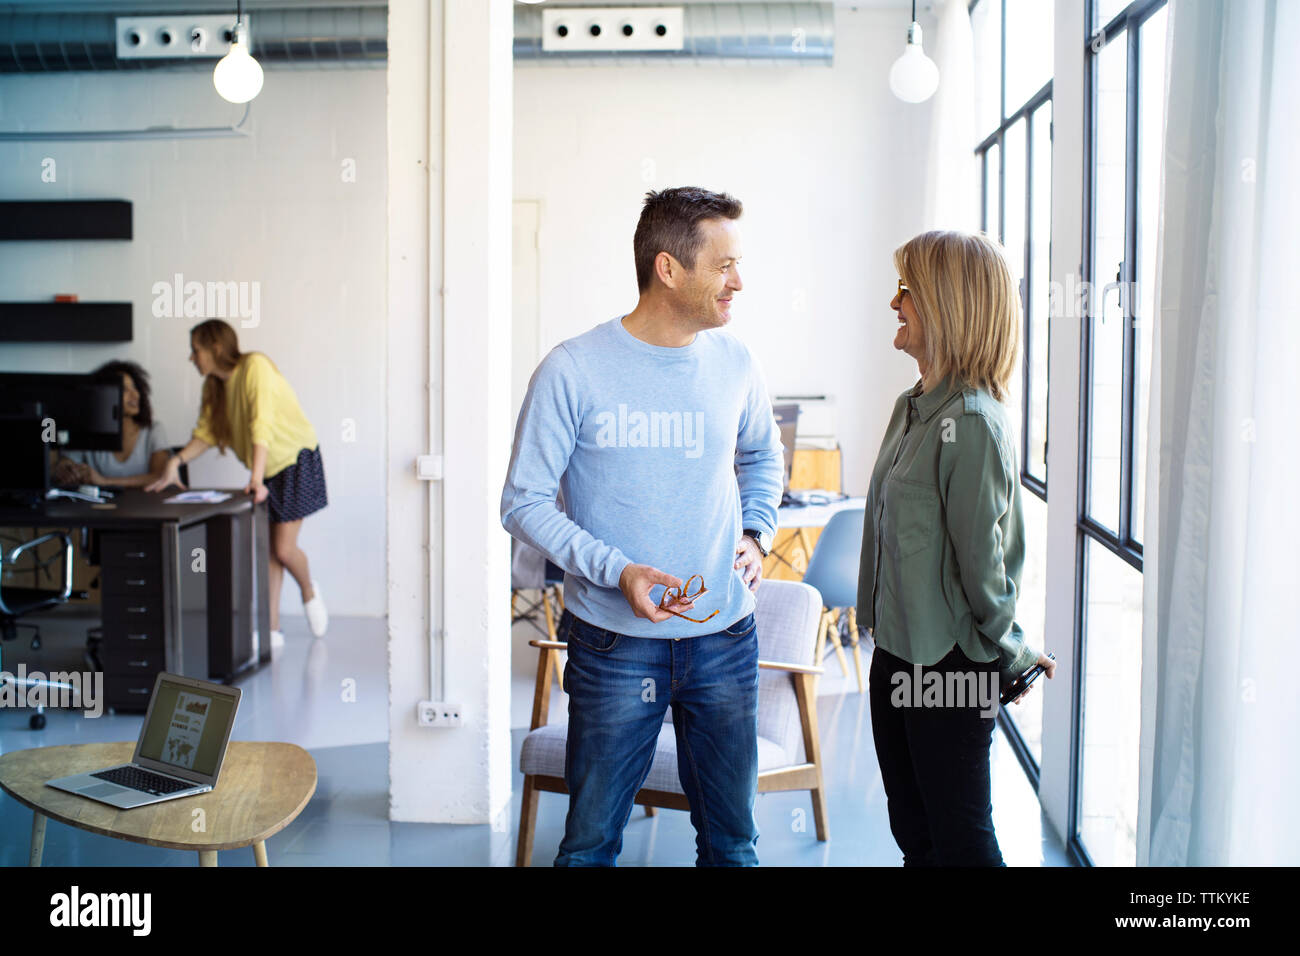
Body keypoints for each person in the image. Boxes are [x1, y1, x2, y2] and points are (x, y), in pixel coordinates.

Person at [501, 186, 785, 866]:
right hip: (613, 647)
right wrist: (617, 570)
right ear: (668, 268)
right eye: (723, 266)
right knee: (592, 841)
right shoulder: (573, 369)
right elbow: (523, 500)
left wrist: (757, 528)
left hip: (726, 637)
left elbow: (763, 452)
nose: (738, 281)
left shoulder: (736, 362)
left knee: (733, 842)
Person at [857, 230, 1056, 867]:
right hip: (896, 653)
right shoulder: (911, 407)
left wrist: (1014, 650)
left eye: (908, 290)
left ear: (947, 304)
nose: (895, 302)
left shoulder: (969, 422)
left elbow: (984, 567)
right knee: (916, 836)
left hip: (947, 670)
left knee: (962, 846)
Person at [146, 319, 328, 649]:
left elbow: (263, 423)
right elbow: (207, 433)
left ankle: (308, 589)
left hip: (293, 458)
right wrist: (176, 461)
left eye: (195, 350)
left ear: (215, 348)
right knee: (272, 553)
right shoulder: (214, 387)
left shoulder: (254, 367)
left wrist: (255, 478)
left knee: (284, 548)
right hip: (267, 467)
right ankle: (271, 628)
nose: (192, 358)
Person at [53, 360, 169, 488]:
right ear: (104, 394)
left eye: (135, 388)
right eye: (124, 389)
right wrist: (67, 470)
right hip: (99, 506)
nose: (134, 394)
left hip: (146, 506)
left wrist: (104, 481)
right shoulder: (89, 430)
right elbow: (67, 462)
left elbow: (160, 476)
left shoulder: (154, 430)